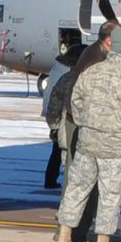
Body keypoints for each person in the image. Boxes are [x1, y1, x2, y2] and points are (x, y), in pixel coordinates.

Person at [55, 23, 121, 242]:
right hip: (114, 147)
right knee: (110, 196)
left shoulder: (91, 72)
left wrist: (88, 125)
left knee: (76, 190)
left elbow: (76, 101)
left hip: (88, 142)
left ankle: (64, 239)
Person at [42, 33, 83, 188]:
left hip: (60, 120)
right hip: (67, 121)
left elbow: (53, 99)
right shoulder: (72, 77)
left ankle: (50, 180)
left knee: (57, 152)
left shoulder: (59, 71)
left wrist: (54, 125)